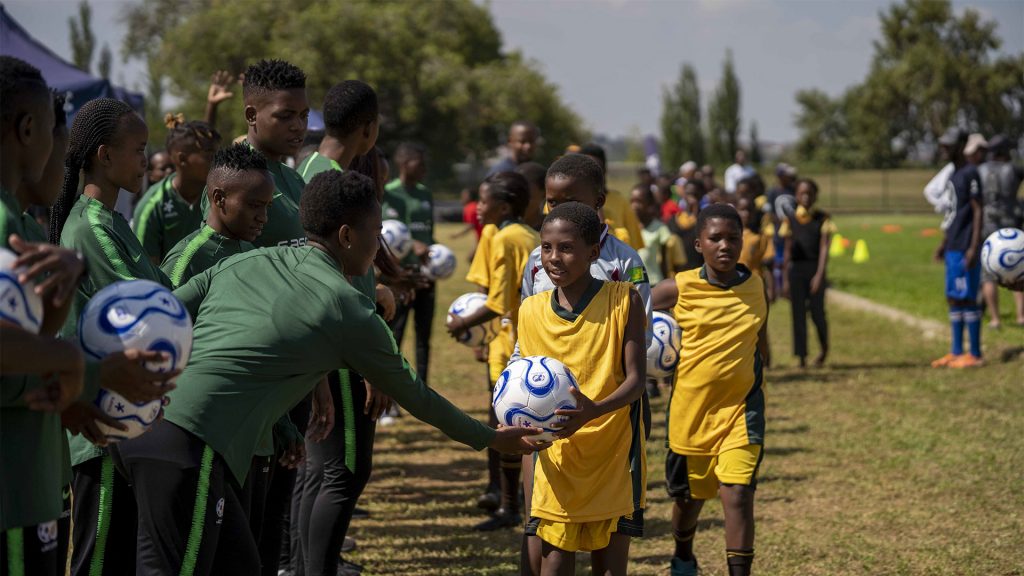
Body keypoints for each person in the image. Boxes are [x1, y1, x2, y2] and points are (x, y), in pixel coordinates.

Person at [116, 170, 547, 575]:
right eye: (375, 235)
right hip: (191, 447)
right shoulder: (348, 309)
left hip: (145, 427)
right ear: (346, 236)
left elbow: (164, 313)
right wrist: (489, 437)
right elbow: (416, 396)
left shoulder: (247, 261)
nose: (378, 247)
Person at [47, 97, 178, 576]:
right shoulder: (93, 227)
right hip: (101, 425)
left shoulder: (113, 222)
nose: (146, 160)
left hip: (124, 419)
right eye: (139, 149)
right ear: (104, 155)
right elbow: (153, 307)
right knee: (98, 561)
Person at [517, 202, 646, 576]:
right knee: (554, 560)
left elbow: (636, 381)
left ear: (593, 253)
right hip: (558, 455)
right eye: (546, 247)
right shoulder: (531, 310)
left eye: (566, 248)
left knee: (609, 566)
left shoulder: (625, 299)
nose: (553, 258)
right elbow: (526, 385)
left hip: (612, 452)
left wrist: (593, 410)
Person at [294, 80, 391, 576]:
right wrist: (373, 364)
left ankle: (303, 564)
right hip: (341, 344)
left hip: (317, 339)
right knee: (346, 470)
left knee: (319, 467)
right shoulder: (333, 180)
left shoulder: (307, 167)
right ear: (368, 130)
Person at [650, 203, 768, 576]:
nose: (725, 246)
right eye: (715, 238)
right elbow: (631, 310)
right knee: (689, 500)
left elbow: (757, 335)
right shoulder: (679, 287)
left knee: (737, 494)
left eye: (733, 238)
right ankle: (683, 554)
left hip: (741, 412)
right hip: (691, 415)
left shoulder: (755, 285)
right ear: (698, 243)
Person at [446, 171, 540, 532]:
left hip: (510, 346)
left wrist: (462, 324)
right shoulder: (530, 234)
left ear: (502, 206)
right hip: (531, 340)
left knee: (502, 427)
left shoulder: (503, 239)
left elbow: (498, 303)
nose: (477, 207)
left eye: (483, 202)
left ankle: (509, 507)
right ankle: (513, 503)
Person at [202, 59, 310, 249]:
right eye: (285, 116)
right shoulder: (232, 179)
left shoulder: (294, 178)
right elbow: (219, 260)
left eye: (304, 116)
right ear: (252, 116)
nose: (298, 126)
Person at [160, 143, 273, 288]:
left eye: (267, 206)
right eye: (254, 205)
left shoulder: (250, 250)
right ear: (219, 198)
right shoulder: (186, 259)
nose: (264, 217)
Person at [133, 115, 221, 264]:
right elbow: (147, 272)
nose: (217, 161)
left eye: (217, 153)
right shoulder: (152, 206)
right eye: (209, 155)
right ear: (182, 159)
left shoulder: (219, 194)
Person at [931, 127, 984, 368]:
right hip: (953, 245)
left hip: (965, 246)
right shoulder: (954, 174)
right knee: (953, 298)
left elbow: (977, 210)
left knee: (968, 298)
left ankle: (973, 353)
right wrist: (944, 243)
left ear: (961, 144)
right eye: (942, 144)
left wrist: (974, 247)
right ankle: (955, 351)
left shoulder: (971, 172)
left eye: (948, 144)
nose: (943, 148)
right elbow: (954, 213)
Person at [385, 143, 436, 383]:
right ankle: (393, 395)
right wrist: (412, 244)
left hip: (425, 273)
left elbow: (429, 234)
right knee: (395, 333)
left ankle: (423, 389)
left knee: (423, 335)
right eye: (420, 163)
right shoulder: (389, 193)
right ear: (404, 164)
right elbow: (386, 234)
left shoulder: (425, 194)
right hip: (399, 274)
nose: (425, 168)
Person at [779, 179, 834, 368]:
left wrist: (819, 275)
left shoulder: (822, 218)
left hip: (814, 269)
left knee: (818, 313)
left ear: (815, 195)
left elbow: (825, 248)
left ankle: (824, 348)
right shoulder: (790, 220)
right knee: (798, 314)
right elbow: (786, 251)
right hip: (795, 271)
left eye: (810, 193)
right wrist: (785, 278)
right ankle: (801, 356)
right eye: (802, 193)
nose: (806, 197)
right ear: (796, 195)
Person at [979, 135, 1024, 327]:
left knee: (989, 273)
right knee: (1018, 267)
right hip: (1011, 225)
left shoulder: (979, 170)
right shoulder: (1013, 169)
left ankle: (995, 319)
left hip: (988, 225)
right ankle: (1021, 316)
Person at [578, 143, 645, 251]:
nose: (591, 175)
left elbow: (634, 252)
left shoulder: (621, 201)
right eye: (586, 170)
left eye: (596, 170)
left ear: (605, 170)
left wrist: (634, 268)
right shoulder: (565, 201)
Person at [631, 183, 684, 285]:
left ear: (649, 204)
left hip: (655, 281)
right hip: (636, 281)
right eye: (632, 201)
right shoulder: (630, 227)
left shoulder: (660, 228)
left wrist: (665, 282)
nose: (635, 206)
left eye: (639, 201)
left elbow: (664, 259)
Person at [517, 161, 548, 230]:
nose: (518, 199)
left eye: (524, 192)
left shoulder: (553, 229)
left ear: (544, 193)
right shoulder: (499, 228)